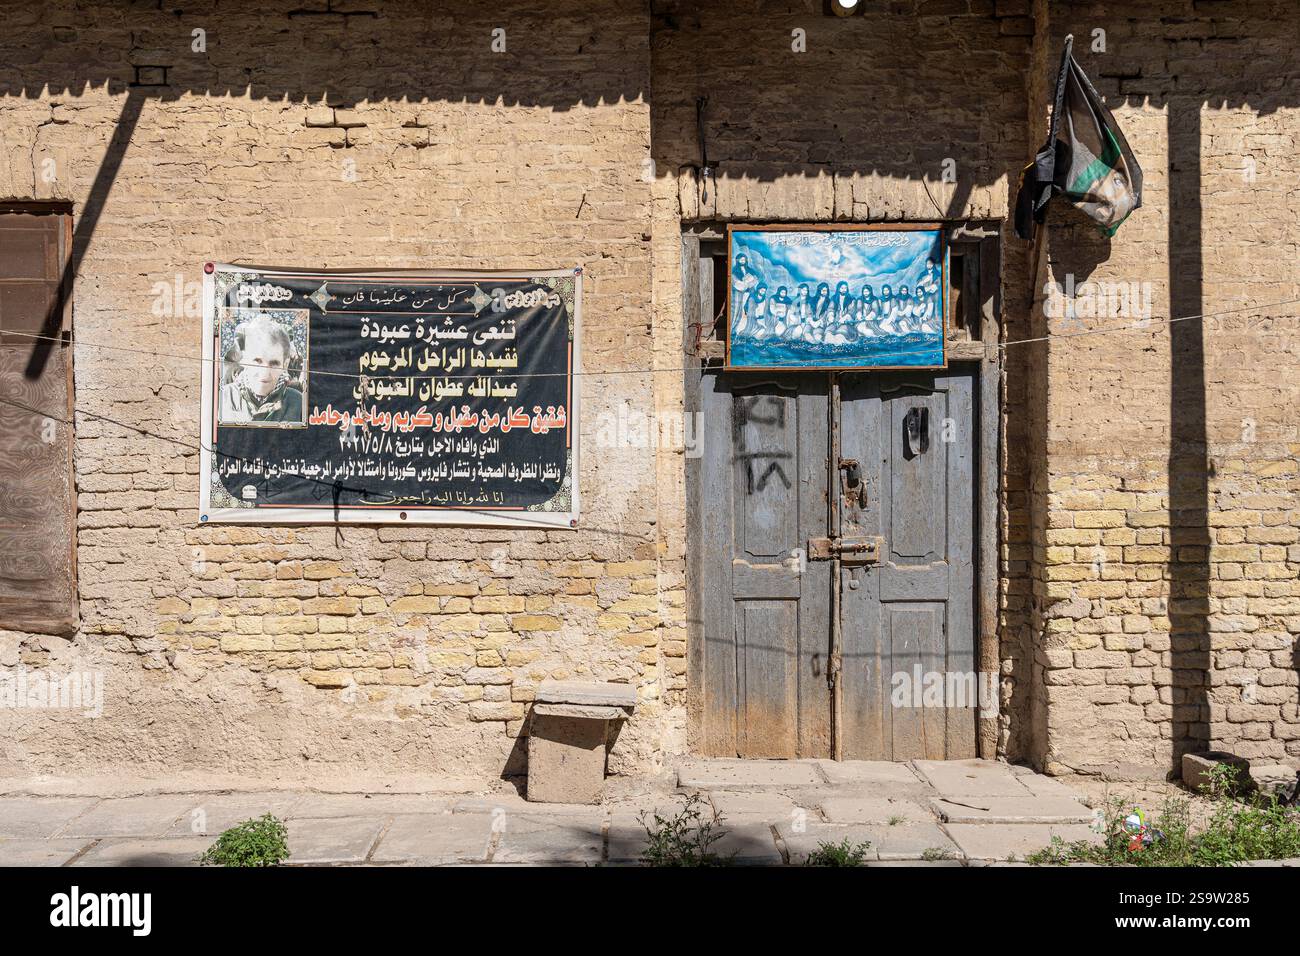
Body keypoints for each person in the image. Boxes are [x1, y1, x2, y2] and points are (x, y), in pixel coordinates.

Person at [218, 317, 305, 425]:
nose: (264, 373)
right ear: (245, 359)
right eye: (257, 361)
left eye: (274, 363)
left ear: (285, 364)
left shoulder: (298, 402)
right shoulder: (222, 398)